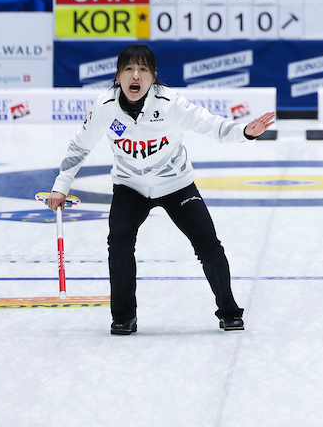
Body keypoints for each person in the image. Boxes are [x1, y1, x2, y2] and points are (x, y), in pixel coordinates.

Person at [43, 43, 275, 334]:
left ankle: (229, 311)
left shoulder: (170, 104)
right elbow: (79, 146)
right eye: (128, 69)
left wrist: (244, 132)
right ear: (118, 76)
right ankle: (124, 317)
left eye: (142, 69)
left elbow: (212, 126)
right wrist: (60, 187)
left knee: (208, 245)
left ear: (153, 77)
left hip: (176, 184)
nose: (135, 75)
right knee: (119, 242)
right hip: (129, 186)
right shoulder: (105, 108)